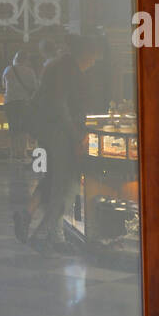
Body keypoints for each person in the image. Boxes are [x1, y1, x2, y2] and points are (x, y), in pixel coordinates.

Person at [28, 31, 105, 254]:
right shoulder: (67, 71)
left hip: (55, 134)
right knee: (65, 187)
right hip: (62, 136)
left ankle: (48, 234)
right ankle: (52, 236)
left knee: (60, 186)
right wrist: (76, 136)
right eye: (93, 56)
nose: (94, 62)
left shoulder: (59, 67)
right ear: (86, 53)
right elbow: (63, 108)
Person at [3, 50, 37, 160]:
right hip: (24, 102)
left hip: (10, 101)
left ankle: (13, 151)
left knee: (13, 127)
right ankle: (22, 152)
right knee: (23, 128)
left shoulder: (8, 69)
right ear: (26, 60)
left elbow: (3, 84)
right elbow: (34, 87)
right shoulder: (29, 71)